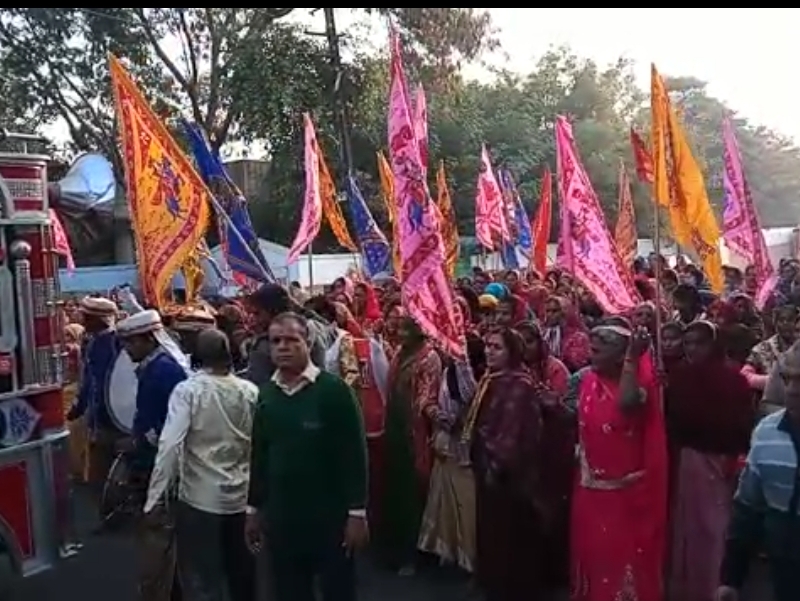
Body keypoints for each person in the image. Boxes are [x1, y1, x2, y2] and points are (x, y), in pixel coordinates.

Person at [245, 312, 368, 601]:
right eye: (276, 341)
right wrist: (252, 510)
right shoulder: (266, 396)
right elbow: (259, 456)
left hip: (330, 520)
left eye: (291, 339)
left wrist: (357, 513)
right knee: (289, 592)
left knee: (338, 592)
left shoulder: (334, 392)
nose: (283, 347)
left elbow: (354, 454)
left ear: (308, 342)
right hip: (283, 521)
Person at [145, 329, 258, 601]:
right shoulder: (250, 391)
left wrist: (154, 499)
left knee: (202, 580)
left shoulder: (188, 392)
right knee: (243, 577)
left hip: (200, 500)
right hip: (243, 500)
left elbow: (170, 446)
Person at [716, 344, 800, 601]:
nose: (793, 390)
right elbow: (748, 508)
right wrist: (731, 578)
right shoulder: (767, 432)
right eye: (788, 379)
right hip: (786, 563)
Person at [116, 310, 189, 601]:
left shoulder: (165, 371)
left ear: (149, 339)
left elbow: (173, 423)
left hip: (163, 465)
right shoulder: (153, 366)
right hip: (152, 460)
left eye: (131, 343)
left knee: (162, 538)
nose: (127, 349)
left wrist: (139, 441)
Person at [245, 284, 333, 385]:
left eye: (257, 314)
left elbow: (258, 390)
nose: (254, 320)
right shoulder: (315, 328)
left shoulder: (264, 346)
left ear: (273, 311)